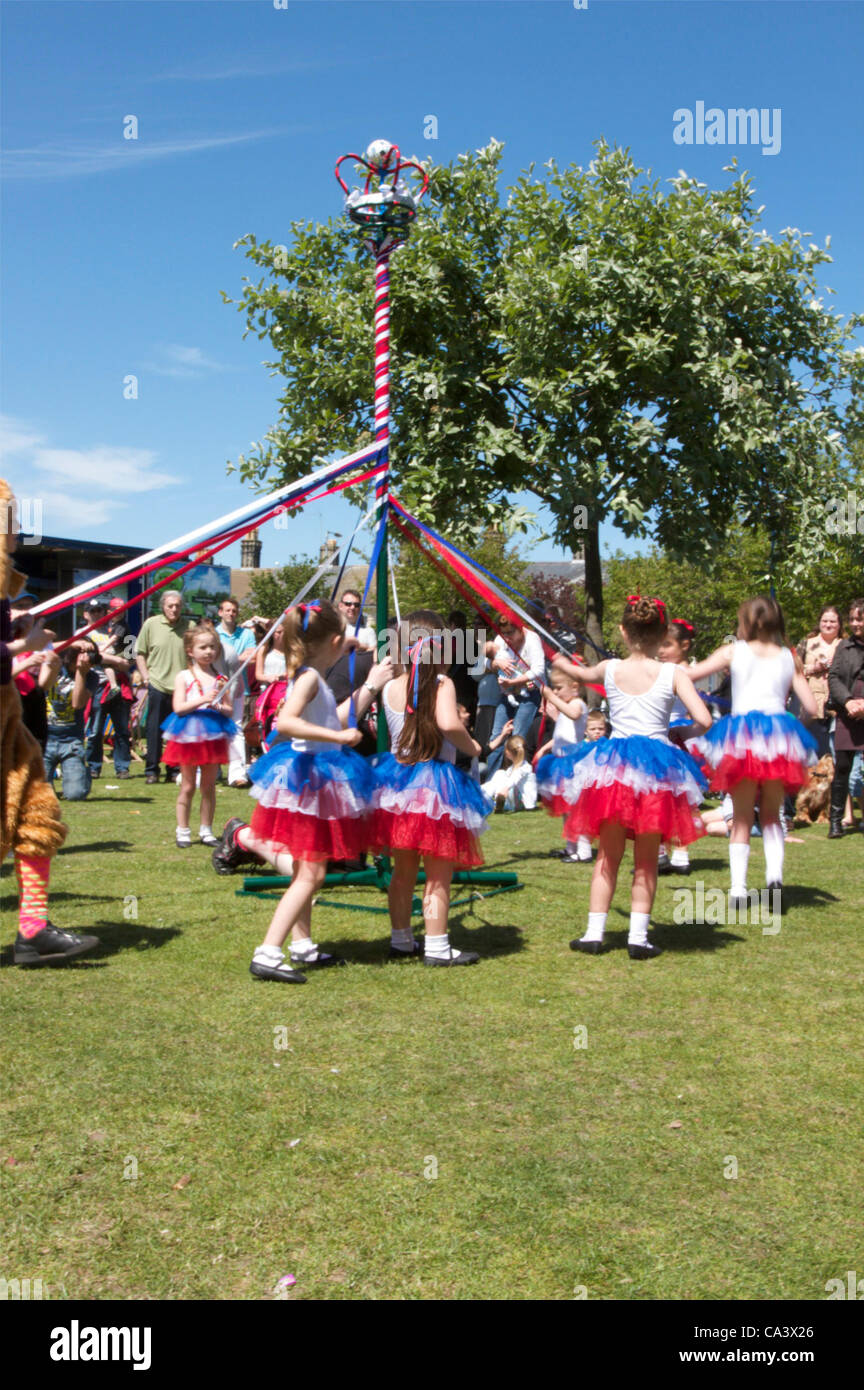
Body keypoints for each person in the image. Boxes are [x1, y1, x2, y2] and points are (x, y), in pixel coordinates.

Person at [212, 600, 392, 981]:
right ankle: (267, 952)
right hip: (311, 776)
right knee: (311, 872)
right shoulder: (309, 678)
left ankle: (302, 945)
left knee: (305, 866)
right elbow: (286, 722)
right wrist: (338, 736)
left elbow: (334, 714)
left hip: (313, 775)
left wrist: (370, 685)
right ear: (336, 639)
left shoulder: (312, 674)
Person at [552, 596, 711, 958]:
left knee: (607, 856)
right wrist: (679, 735)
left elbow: (577, 673)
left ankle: (594, 934)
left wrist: (555, 656)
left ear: (623, 632)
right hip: (657, 771)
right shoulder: (673, 673)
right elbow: (704, 719)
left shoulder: (609, 668)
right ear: (661, 634)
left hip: (615, 770)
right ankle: (638, 939)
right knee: (646, 858)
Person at [1, 475, 97, 966]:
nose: (16, 535)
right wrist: (21, 648)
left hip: (9, 730)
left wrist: (13, 628)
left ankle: (33, 929)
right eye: (10, 526)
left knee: (37, 814)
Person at [369, 609, 490, 966]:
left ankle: (401, 940)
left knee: (403, 870)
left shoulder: (392, 684)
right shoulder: (442, 684)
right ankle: (437, 946)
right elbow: (449, 724)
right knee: (438, 872)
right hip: (436, 784)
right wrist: (474, 747)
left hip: (397, 784)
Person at [687, 596, 818, 909]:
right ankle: (774, 878)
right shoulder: (789, 656)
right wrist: (792, 729)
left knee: (742, 818)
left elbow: (691, 674)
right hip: (778, 740)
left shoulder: (734, 650)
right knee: (773, 815)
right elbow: (812, 707)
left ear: (746, 620)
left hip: (741, 739)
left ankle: (738, 890)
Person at [161, 621, 237, 848]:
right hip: (189, 735)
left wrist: (218, 707)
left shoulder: (221, 678)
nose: (209, 652)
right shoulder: (183, 676)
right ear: (190, 650)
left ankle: (206, 830)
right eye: (203, 647)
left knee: (209, 785)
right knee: (187, 786)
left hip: (213, 735)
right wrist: (203, 700)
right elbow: (179, 708)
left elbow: (229, 709)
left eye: (213, 647)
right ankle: (182, 830)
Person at [656, 617, 703, 876]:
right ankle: (661, 852)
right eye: (660, 644)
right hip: (659, 740)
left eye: (667, 645)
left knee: (682, 800)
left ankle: (681, 854)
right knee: (661, 797)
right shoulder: (663, 670)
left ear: (684, 646)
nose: (661, 650)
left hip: (676, 740)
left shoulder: (682, 673)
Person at [535, 665, 590, 860]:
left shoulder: (577, 704)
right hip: (560, 762)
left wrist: (551, 697)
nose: (556, 691)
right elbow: (562, 732)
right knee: (567, 808)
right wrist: (545, 746)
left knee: (577, 808)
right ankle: (571, 847)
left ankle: (584, 851)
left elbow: (574, 715)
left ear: (575, 687)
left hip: (573, 764)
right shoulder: (566, 707)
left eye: (559, 688)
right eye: (554, 688)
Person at [135, 591, 188, 784]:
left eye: (178, 606)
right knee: (154, 730)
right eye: (170, 606)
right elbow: (140, 653)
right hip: (157, 683)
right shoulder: (151, 624)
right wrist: (146, 676)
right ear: (162, 606)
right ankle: (151, 770)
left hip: (181, 688)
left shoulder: (189, 626)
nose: (174, 609)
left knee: (176, 731)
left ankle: (173, 769)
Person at [483, 616, 546, 777]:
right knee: (497, 735)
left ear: (521, 629)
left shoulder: (532, 639)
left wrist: (513, 682)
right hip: (507, 694)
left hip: (529, 693)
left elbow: (538, 670)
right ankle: (492, 782)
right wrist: (495, 664)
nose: (507, 638)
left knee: (518, 736)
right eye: (504, 634)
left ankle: (516, 782)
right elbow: (483, 663)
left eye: (510, 633)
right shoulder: (500, 640)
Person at [40, 641, 101, 800]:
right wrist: (72, 642)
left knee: (75, 795)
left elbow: (77, 704)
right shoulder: (56, 666)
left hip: (71, 741)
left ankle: (82, 776)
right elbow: (43, 647)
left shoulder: (92, 677)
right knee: (41, 795)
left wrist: (81, 673)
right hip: (45, 739)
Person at [82, 596, 133, 780]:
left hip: (119, 685)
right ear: (85, 614)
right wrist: (115, 660)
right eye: (92, 611)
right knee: (95, 731)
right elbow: (89, 658)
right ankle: (94, 767)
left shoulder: (120, 630)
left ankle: (122, 768)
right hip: (96, 685)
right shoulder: (83, 633)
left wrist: (118, 661)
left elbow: (130, 659)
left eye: (100, 611)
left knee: (122, 729)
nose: (97, 614)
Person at [826, 597, 864, 838]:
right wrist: (848, 701)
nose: (854, 623)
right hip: (848, 713)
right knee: (842, 768)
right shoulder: (844, 647)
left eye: (859, 618)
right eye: (851, 619)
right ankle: (836, 822)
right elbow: (834, 677)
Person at [214, 598, 258, 787]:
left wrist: (229, 659)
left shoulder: (246, 634)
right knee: (214, 729)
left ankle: (237, 773)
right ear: (220, 612)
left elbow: (253, 656)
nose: (231, 613)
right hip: (216, 688)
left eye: (234, 610)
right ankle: (212, 769)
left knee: (237, 729)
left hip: (240, 688)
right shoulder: (214, 634)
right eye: (228, 610)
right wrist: (238, 659)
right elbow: (212, 659)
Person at [800, 605, 843, 757]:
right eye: (825, 621)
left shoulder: (846, 644)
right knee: (814, 755)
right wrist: (814, 667)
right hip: (813, 708)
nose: (828, 625)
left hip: (839, 708)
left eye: (832, 621)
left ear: (839, 624)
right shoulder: (807, 643)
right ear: (819, 622)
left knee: (837, 756)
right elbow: (794, 671)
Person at [483, 735, 538, 812]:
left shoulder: (525, 767)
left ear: (508, 752)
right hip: (514, 799)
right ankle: (482, 794)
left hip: (521, 802)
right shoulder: (512, 768)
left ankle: (481, 796)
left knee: (500, 774)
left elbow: (515, 777)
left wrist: (505, 788)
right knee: (500, 774)